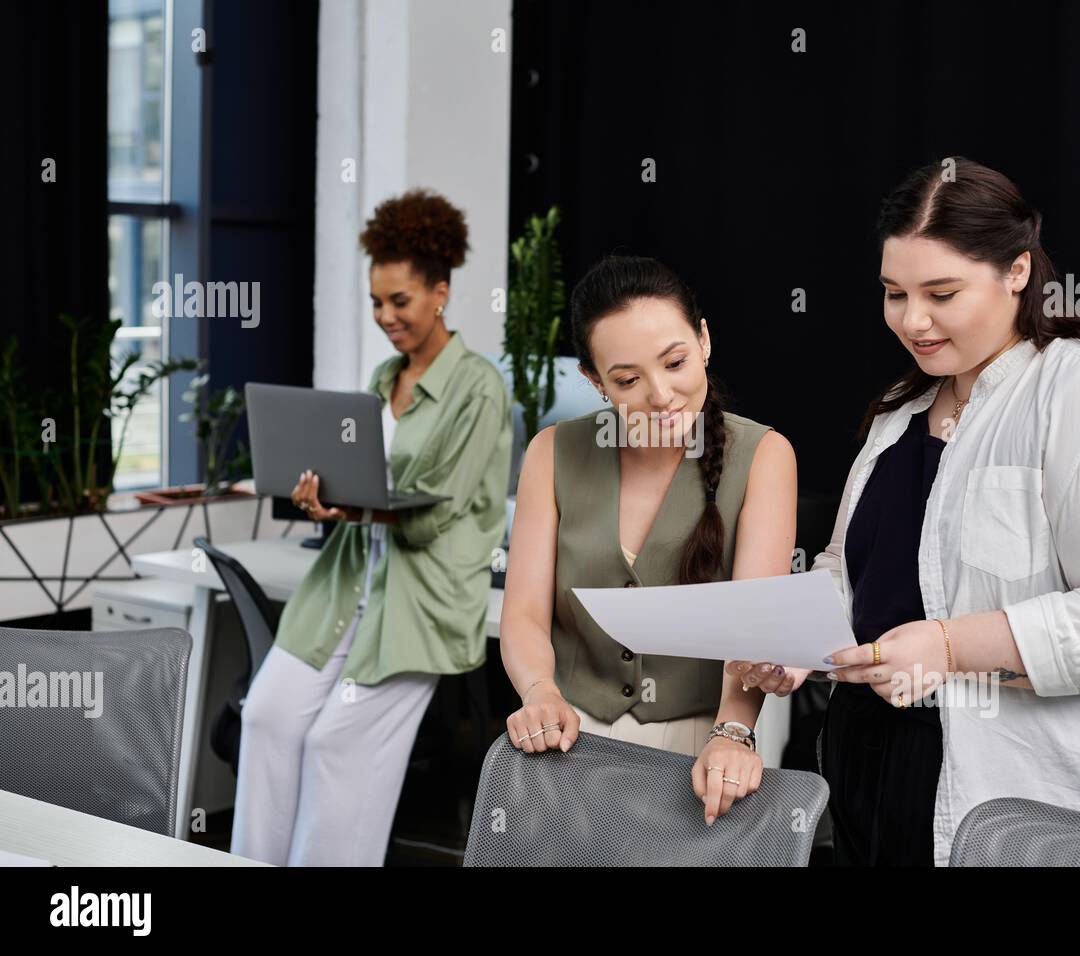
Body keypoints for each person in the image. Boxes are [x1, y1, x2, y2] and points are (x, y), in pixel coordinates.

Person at [813, 157, 1080, 866]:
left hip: (1033, 792)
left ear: (1017, 271)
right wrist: (793, 642)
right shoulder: (900, 414)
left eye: (942, 292)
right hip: (878, 768)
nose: (913, 320)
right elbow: (851, 573)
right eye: (894, 294)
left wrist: (950, 646)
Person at [230, 188, 512, 865]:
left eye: (401, 302)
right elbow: (367, 476)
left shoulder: (478, 388)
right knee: (267, 717)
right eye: (376, 304)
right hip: (348, 582)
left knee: (336, 747)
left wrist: (350, 507)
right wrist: (322, 491)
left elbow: (438, 510)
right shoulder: (384, 376)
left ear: (439, 294)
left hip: (418, 600)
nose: (386, 318)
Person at [499, 254, 798, 825]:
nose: (661, 395)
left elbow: (754, 624)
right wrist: (539, 692)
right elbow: (524, 615)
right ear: (593, 380)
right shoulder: (551, 453)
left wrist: (733, 732)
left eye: (676, 362)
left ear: (704, 340)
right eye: (628, 379)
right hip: (567, 735)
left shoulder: (764, 455)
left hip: (699, 744)